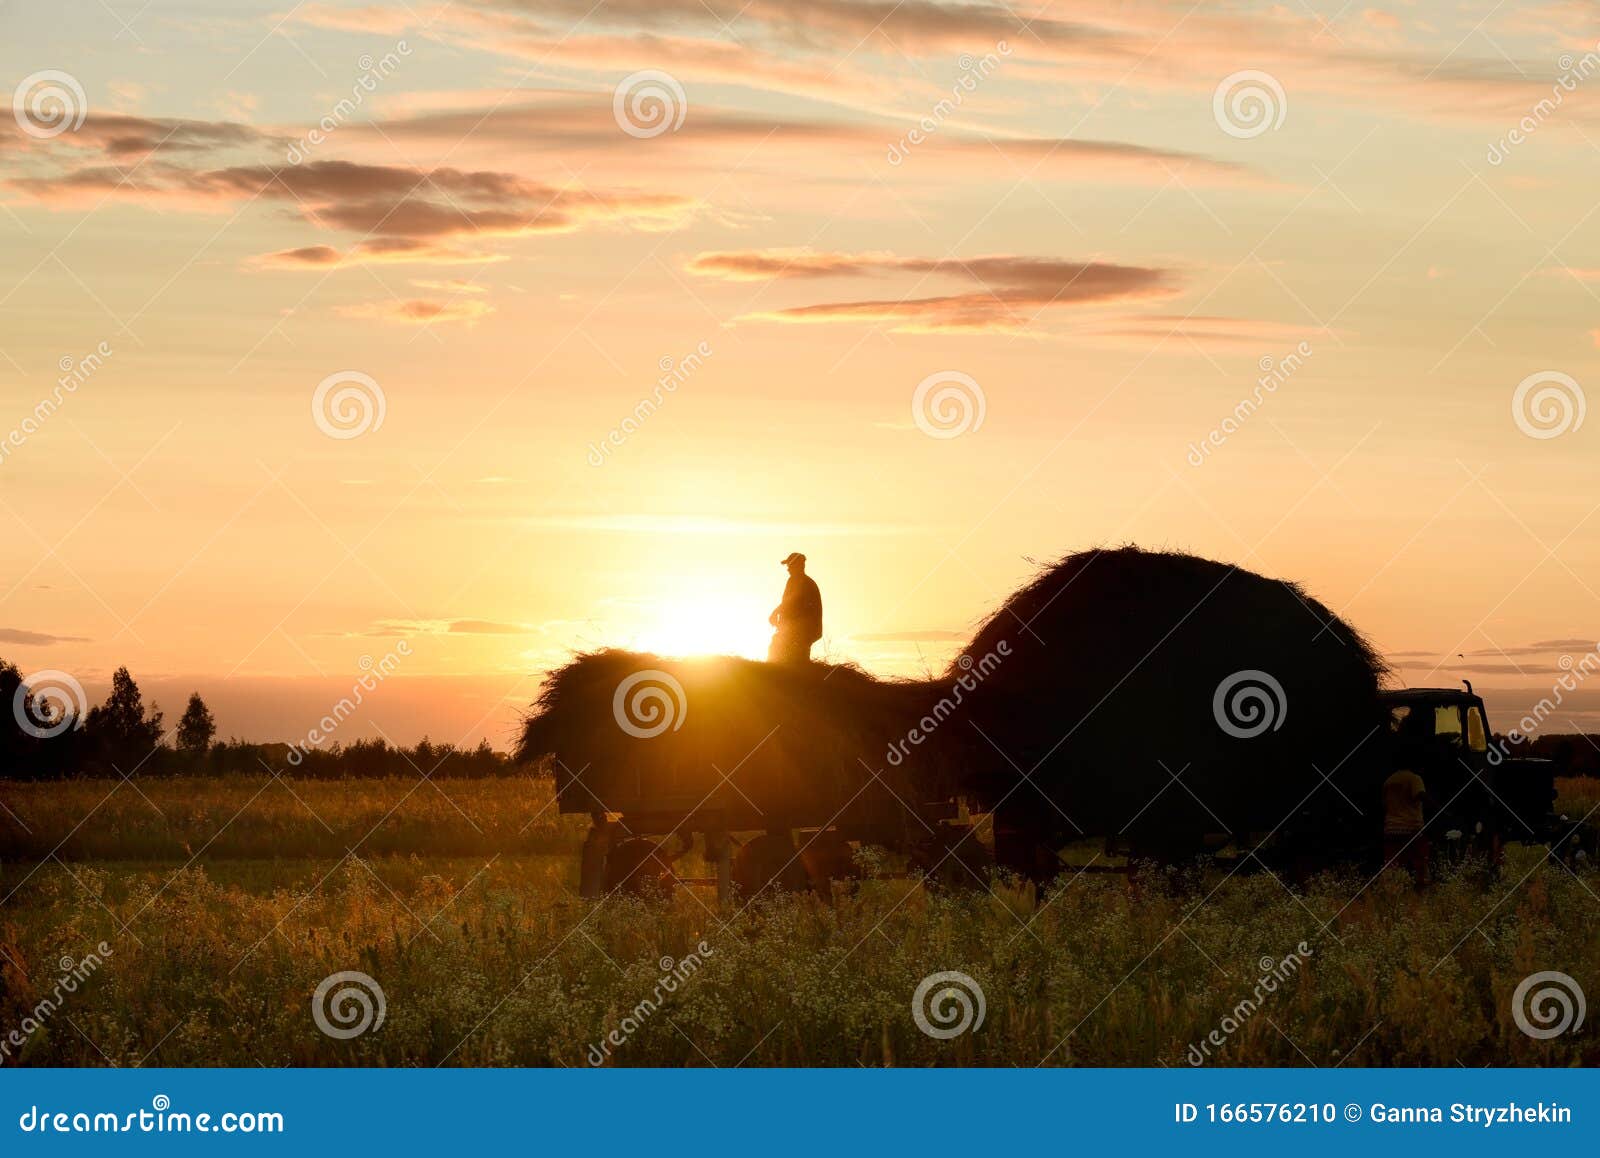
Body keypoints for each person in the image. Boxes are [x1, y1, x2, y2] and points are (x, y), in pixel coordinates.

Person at [1381, 756, 1429, 886]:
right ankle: (1421, 891)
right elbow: (1420, 795)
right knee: (1420, 862)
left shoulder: (1389, 781)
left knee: (1392, 863)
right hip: (1412, 827)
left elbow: (1384, 804)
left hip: (1391, 828)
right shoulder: (1414, 778)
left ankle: (1390, 891)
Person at [768, 552, 822, 664]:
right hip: (795, 630)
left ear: (799, 566)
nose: (788, 569)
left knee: (792, 657)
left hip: (803, 632)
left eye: (790, 565)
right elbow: (788, 602)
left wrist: (777, 614)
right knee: (779, 648)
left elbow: (793, 602)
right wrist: (778, 615)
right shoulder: (794, 581)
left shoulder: (805, 583)